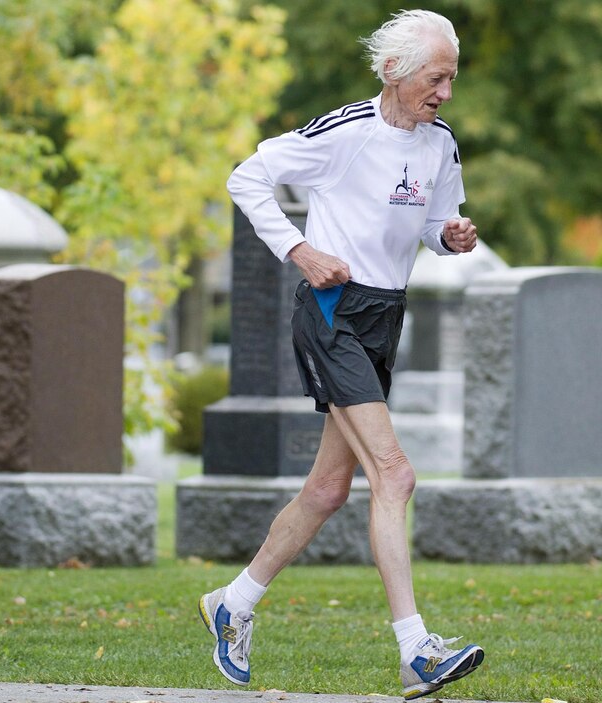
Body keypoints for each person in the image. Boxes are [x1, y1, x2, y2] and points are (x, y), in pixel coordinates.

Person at [199, 9, 485, 701]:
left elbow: (432, 224)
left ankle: (233, 603)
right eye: (435, 78)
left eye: (450, 78)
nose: (445, 92)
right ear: (393, 71)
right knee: (395, 473)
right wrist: (299, 250)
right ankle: (415, 651)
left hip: (386, 315)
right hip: (332, 314)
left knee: (329, 489)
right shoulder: (345, 132)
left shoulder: (441, 144)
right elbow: (246, 178)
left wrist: (450, 237)